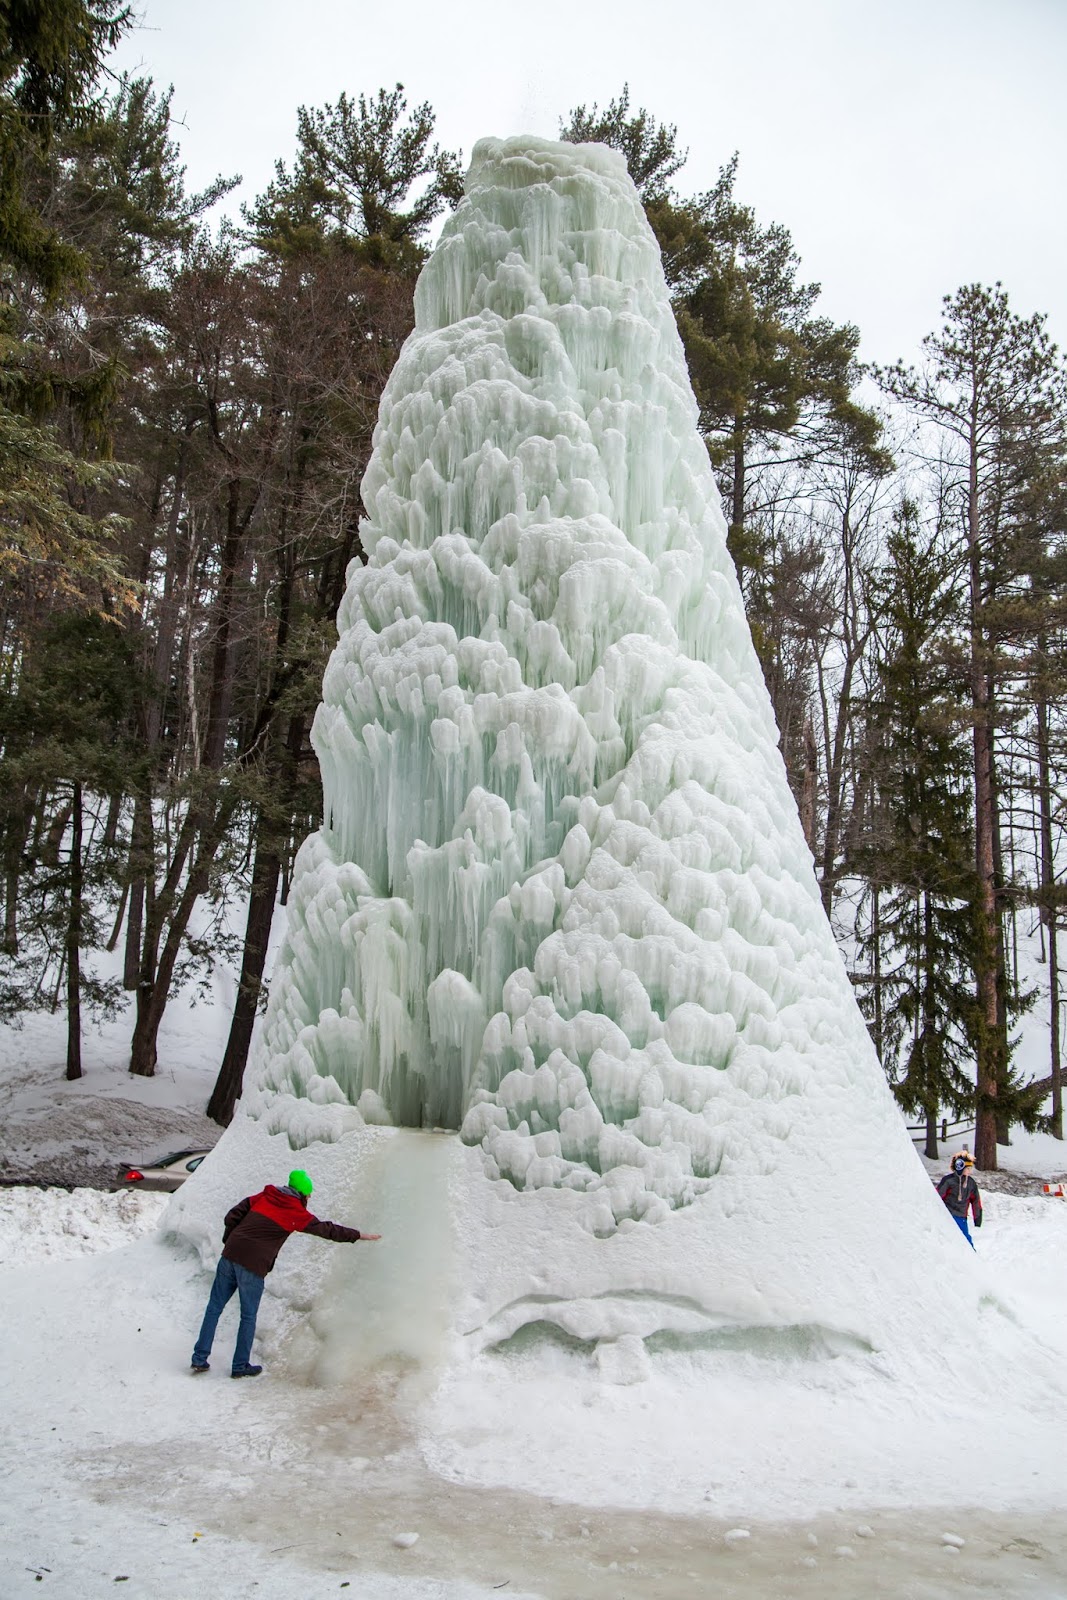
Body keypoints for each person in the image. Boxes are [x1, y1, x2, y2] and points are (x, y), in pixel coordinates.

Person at [191, 1169, 380, 1377]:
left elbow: (232, 1215)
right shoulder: (294, 1212)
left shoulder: (264, 1196)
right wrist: (359, 1235)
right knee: (248, 1315)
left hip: (230, 1256)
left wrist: (231, 1241)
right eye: (308, 1194)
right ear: (301, 1194)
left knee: (214, 1308)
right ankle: (240, 1366)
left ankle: (199, 1358)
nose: (309, 1198)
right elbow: (327, 1230)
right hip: (253, 1265)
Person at [936, 1148, 983, 1249]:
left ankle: (972, 1258)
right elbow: (937, 1196)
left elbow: (976, 1201)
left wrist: (977, 1219)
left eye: (971, 1168)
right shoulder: (949, 1181)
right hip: (947, 1216)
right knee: (947, 1239)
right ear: (960, 1167)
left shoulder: (971, 1183)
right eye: (968, 1169)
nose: (970, 1171)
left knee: (966, 1241)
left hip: (961, 1217)